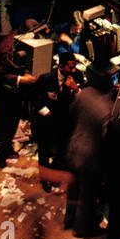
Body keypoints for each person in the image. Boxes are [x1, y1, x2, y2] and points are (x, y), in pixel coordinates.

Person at [63, 68, 114, 236]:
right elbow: (107, 139)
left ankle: (69, 219)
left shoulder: (84, 93)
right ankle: (81, 229)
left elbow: (71, 112)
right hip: (90, 157)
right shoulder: (107, 108)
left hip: (73, 147)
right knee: (87, 195)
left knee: (73, 189)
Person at [0, 30, 38, 168]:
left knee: (12, 118)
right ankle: (0, 153)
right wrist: (22, 79)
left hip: (10, 91)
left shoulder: (17, 38)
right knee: (1, 122)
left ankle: (6, 147)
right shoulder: (7, 50)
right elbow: (1, 74)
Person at [32, 49, 84, 183]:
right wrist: (45, 111)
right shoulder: (46, 78)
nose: (73, 70)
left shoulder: (77, 76)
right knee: (44, 149)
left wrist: (76, 89)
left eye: (74, 67)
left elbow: (83, 99)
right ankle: (44, 178)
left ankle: (55, 174)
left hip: (65, 120)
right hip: (47, 120)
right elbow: (34, 98)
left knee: (61, 149)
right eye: (70, 67)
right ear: (61, 66)